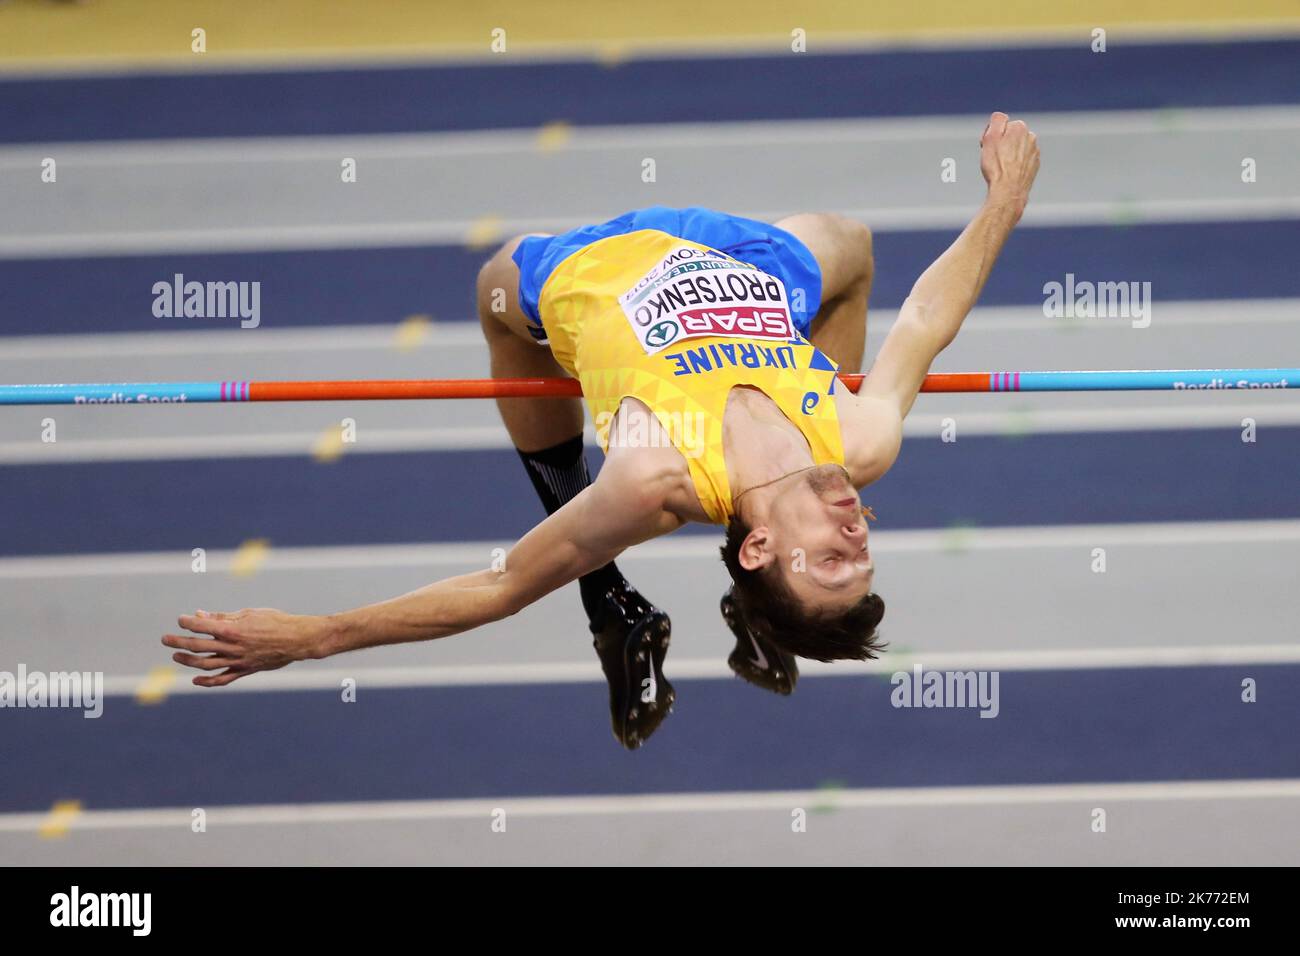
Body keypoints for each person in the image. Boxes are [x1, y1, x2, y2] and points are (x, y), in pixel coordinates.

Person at [163, 112, 1040, 750]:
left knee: (491, 293)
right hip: (739, 261)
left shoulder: (652, 479)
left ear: (760, 546)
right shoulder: (859, 440)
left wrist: (317, 636)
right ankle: (746, 619)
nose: (859, 532)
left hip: (587, 269)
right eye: (865, 553)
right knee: (851, 245)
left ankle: (607, 602)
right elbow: (926, 318)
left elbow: (502, 584)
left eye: (835, 559)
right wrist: (1005, 198)